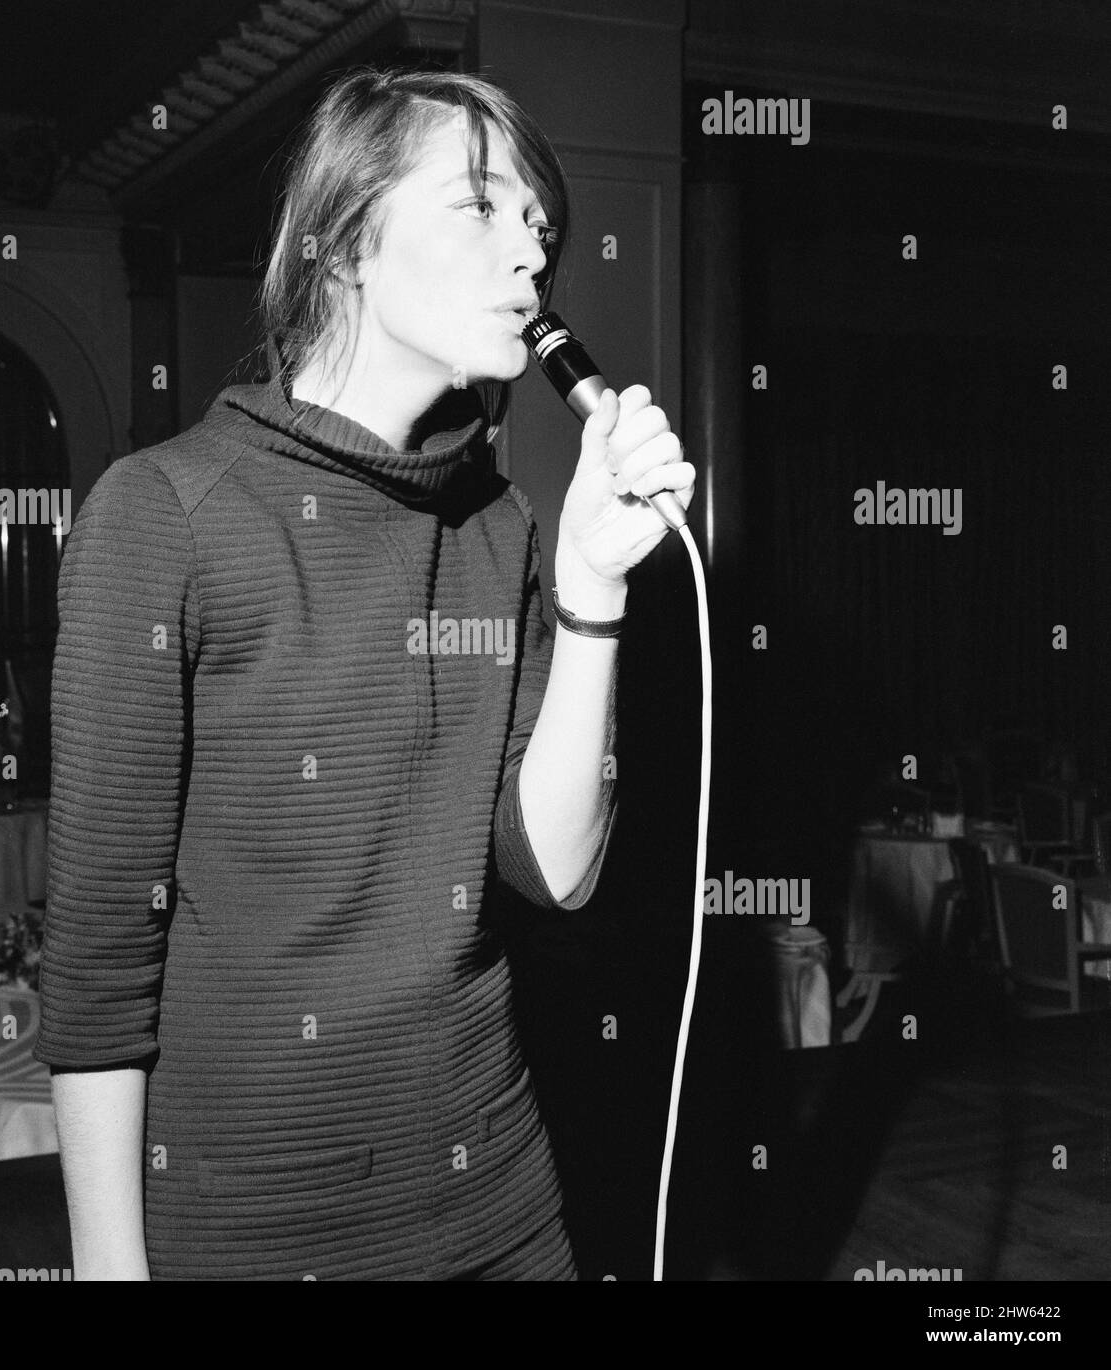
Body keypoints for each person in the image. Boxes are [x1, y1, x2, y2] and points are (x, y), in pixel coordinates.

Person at [34, 65, 694, 1281]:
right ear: (343, 240)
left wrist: (591, 598)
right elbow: (95, 960)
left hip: (499, 1197)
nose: (530, 261)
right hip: (248, 1219)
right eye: (481, 207)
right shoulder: (163, 514)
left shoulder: (497, 527)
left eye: (540, 232)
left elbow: (552, 873)